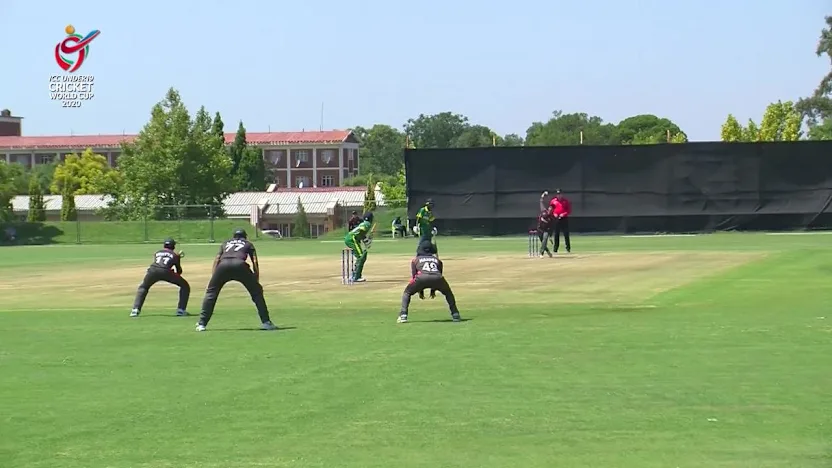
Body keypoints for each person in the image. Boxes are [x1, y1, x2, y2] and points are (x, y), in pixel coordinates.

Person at [195, 229, 276, 332]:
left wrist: (214, 276)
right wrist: (256, 278)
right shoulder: (248, 244)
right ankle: (266, 322)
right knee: (257, 293)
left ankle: (202, 324)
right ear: (245, 236)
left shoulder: (225, 243)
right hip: (240, 265)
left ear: (234, 236)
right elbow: (254, 261)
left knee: (211, 293)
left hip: (222, 266)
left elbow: (217, 259)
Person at [398, 240, 461, 323]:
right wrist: (433, 289)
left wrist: (420, 290)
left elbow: (414, 277)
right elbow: (437, 275)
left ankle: (403, 315)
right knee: (448, 293)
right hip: (438, 278)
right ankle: (455, 314)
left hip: (421, 278)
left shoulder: (415, 260)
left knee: (407, 293)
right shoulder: (438, 260)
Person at [130, 238, 190, 317]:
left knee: (143, 287)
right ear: (173, 246)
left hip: (152, 270)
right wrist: (178, 258)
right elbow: (179, 271)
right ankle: (181, 310)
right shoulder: (174, 255)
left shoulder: (157, 253)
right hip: (166, 272)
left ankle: (135, 310)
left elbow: (160, 262)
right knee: (185, 286)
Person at [344, 212, 374, 282]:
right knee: (361, 256)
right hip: (352, 239)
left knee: (361, 256)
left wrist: (367, 241)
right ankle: (356, 276)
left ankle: (355, 274)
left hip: (351, 238)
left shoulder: (365, 223)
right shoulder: (367, 224)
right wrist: (368, 238)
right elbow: (361, 229)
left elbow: (361, 235)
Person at [536, 192, 556, 257]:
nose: (550, 209)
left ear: (553, 210)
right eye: (550, 208)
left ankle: (541, 253)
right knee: (543, 243)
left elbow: (551, 227)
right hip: (539, 229)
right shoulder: (544, 211)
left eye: (552, 209)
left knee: (544, 240)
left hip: (546, 230)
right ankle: (548, 252)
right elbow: (541, 202)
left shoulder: (552, 218)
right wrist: (543, 195)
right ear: (548, 208)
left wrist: (550, 236)